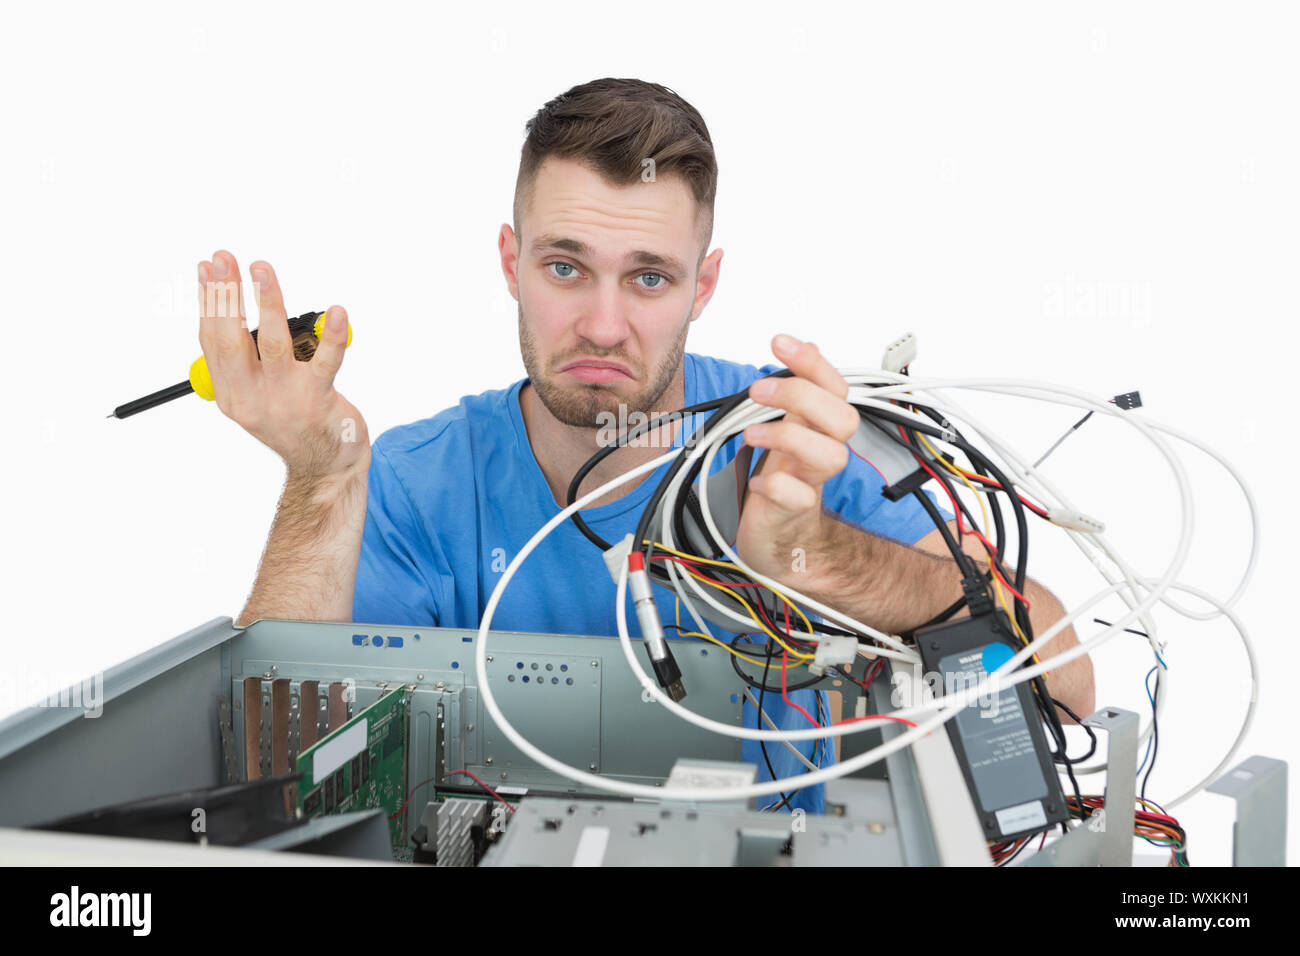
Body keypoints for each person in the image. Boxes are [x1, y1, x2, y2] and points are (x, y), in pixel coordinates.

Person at [197, 77, 1094, 816]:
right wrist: (321, 477)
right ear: (509, 262)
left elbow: (1066, 689)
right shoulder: (410, 478)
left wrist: (827, 560)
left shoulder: (800, 445)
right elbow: (278, 785)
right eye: (564, 267)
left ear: (704, 284)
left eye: (650, 278)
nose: (602, 323)